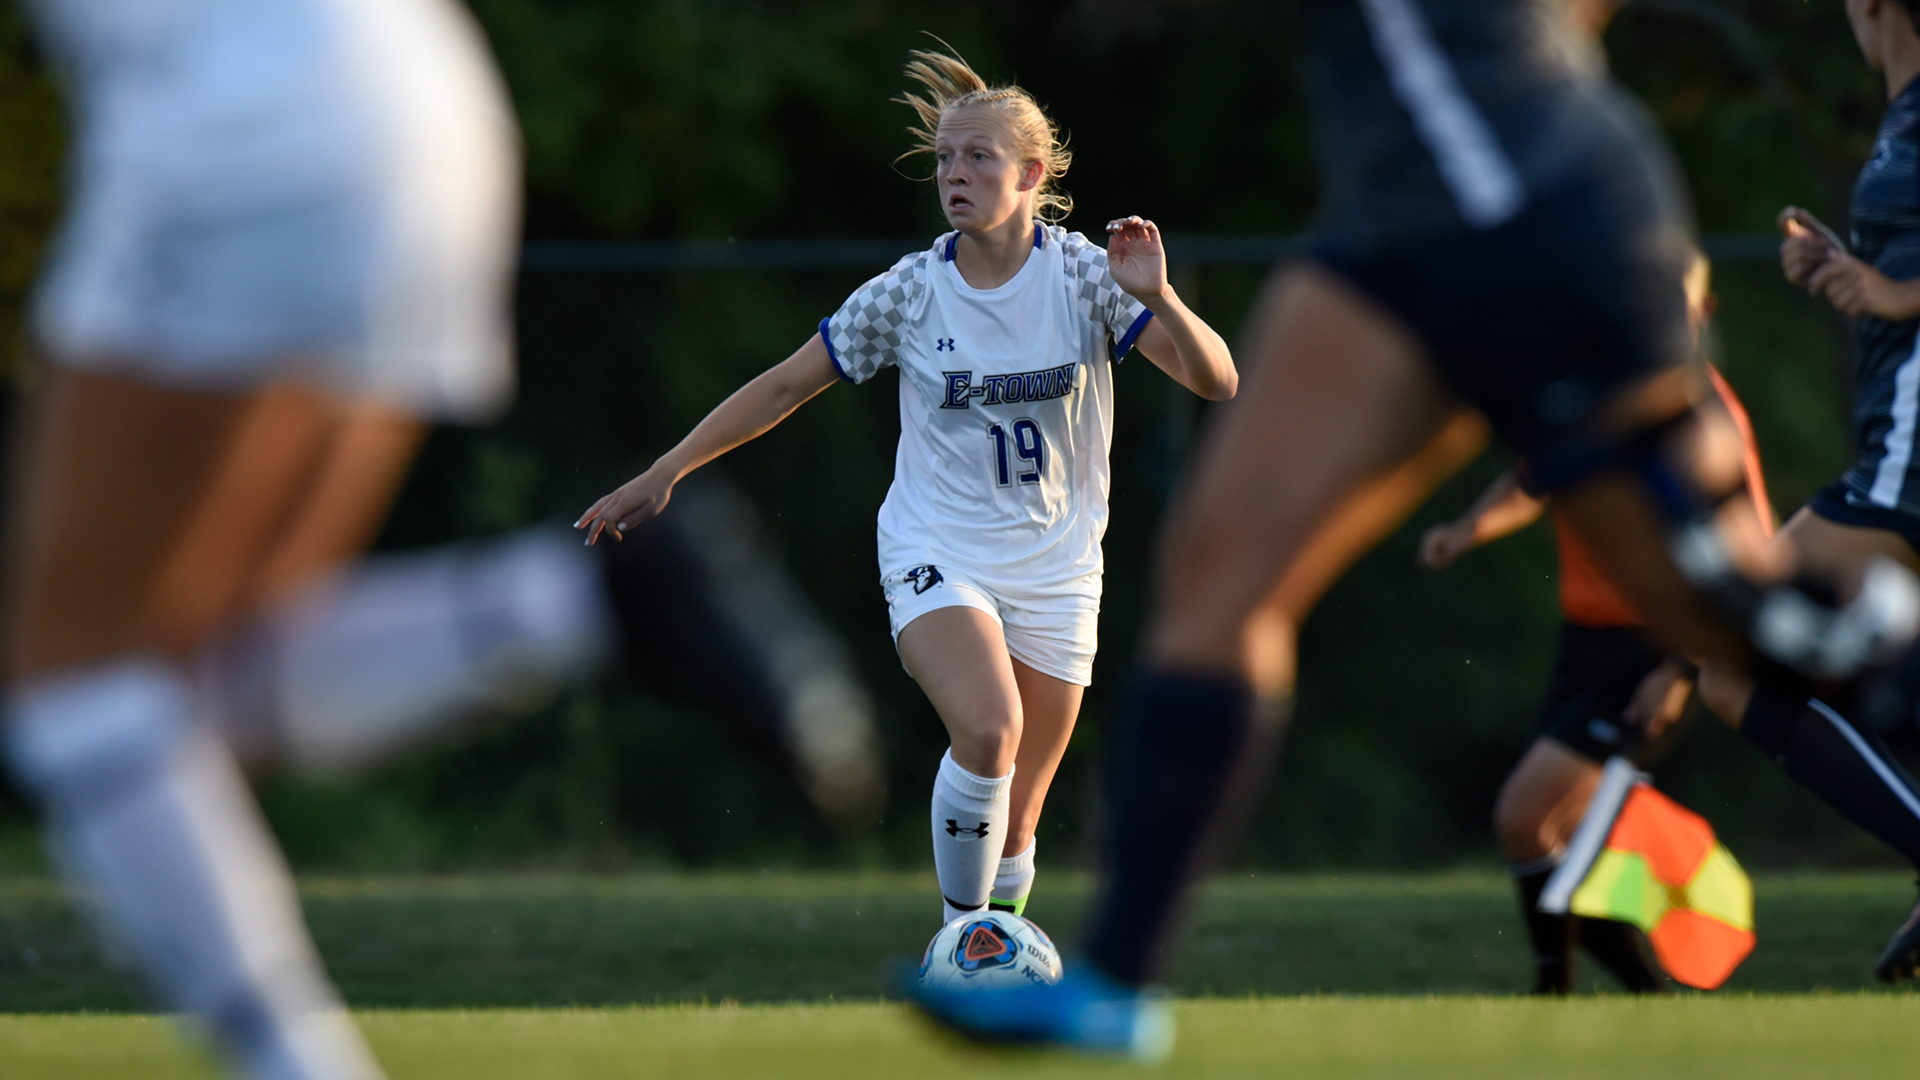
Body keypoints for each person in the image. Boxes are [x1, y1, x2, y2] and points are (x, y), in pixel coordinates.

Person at [908, 0, 1920, 1058]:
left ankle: (1879, 646)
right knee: (1221, 575)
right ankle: (1110, 986)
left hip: (1534, 209)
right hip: (1396, 231)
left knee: (1722, 613)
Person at [2, 3, 871, 1079]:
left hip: (231, 132)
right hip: (419, 103)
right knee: (181, 693)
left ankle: (301, 1061)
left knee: (73, 694)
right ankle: (593, 598)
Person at [574, 46, 1236, 928]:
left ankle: (991, 951)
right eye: (945, 160)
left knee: (1021, 813)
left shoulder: (1085, 277)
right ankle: (967, 942)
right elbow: (782, 386)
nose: (955, 175)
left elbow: (1217, 381)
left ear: (1032, 173)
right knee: (990, 730)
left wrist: (1164, 300)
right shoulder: (911, 292)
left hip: (1061, 567)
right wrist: (665, 474)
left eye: (979, 158)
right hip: (939, 547)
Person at [1422, 256, 1775, 994]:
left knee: (1526, 817)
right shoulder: (1598, 394)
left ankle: (1556, 988)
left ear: (1702, 317)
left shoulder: (1708, 420)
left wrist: (1679, 672)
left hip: (1654, 652)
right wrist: (1469, 529)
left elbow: (1749, 564)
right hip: (1585, 643)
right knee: (1558, 835)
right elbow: (1535, 480)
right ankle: (1635, 998)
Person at [1695, 0, 1920, 984]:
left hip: (1912, 447)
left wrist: (1901, 295)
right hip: (1897, 435)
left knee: (1737, 653)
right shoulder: (1902, 114)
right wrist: (1850, 267)